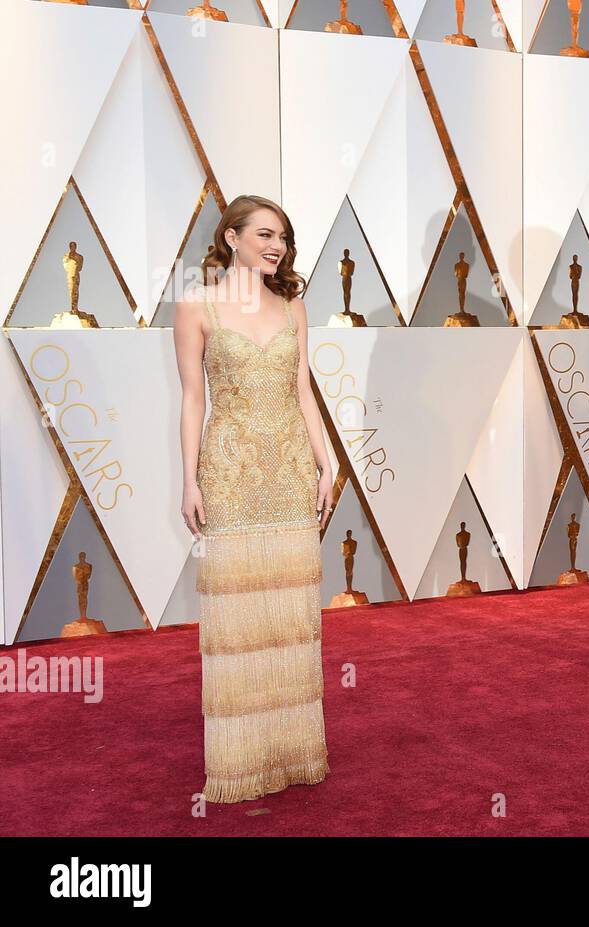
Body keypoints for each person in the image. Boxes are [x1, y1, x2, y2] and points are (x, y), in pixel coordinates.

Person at [175, 194, 334, 802]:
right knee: (238, 622)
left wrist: (325, 462)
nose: (277, 246)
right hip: (232, 471)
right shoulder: (197, 306)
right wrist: (189, 479)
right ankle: (240, 764)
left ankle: (294, 754)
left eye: (284, 238)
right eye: (265, 234)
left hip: (290, 468)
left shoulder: (293, 303)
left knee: (291, 617)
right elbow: (193, 399)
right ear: (232, 237)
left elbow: (302, 391)